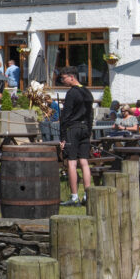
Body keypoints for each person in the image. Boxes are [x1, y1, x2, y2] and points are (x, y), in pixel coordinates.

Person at [57, 66, 94, 205]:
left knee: (72, 162)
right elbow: (91, 114)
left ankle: (74, 197)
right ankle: (87, 194)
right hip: (85, 128)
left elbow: (65, 116)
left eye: (64, 78)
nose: (62, 81)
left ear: (72, 77)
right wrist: (89, 131)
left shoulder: (72, 93)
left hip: (72, 129)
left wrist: (62, 137)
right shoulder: (87, 92)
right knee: (84, 162)